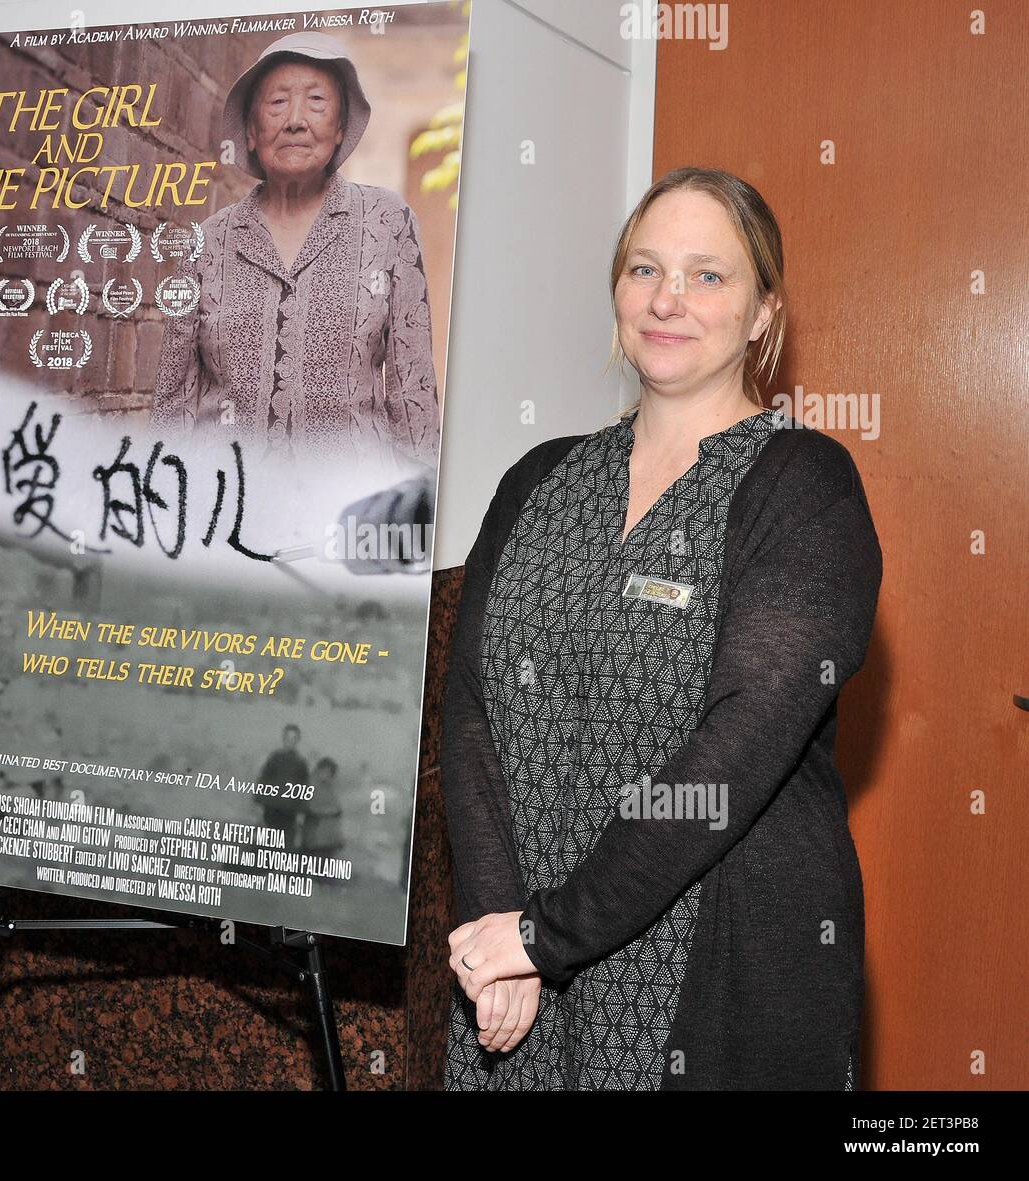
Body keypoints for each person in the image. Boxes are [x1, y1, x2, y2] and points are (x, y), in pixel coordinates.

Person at [440, 167, 883, 1090]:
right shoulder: (537, 480)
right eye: (644, 269)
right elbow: (471, 712)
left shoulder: (806, 487)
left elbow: (735, 751)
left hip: (721, 963)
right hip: (521, 974)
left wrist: (548, 931)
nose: (667, 299)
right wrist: (497, 928)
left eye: (707, 275)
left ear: (764, 313)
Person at [151, 31, 440, 471]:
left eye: (317, 102)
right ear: (250, 131)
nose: (296, 121)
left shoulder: (388, 223)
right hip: (228, 514)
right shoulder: (207, 243)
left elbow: (413, 391)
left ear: (341, 127)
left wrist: (419, 511)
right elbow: (173, 403)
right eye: (278, 103)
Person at [258, 723, 311, 846]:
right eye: (288, 738)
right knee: (267, 845)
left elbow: (304, 788)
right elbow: (264, 780)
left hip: (289, 812)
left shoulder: (301, 763)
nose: (290, 742)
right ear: (283, 739)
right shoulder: (275, 758)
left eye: (294, 739)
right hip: (271, 809)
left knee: (286, 846)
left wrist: (301, 813)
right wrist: (260, 807)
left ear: (297, 741)